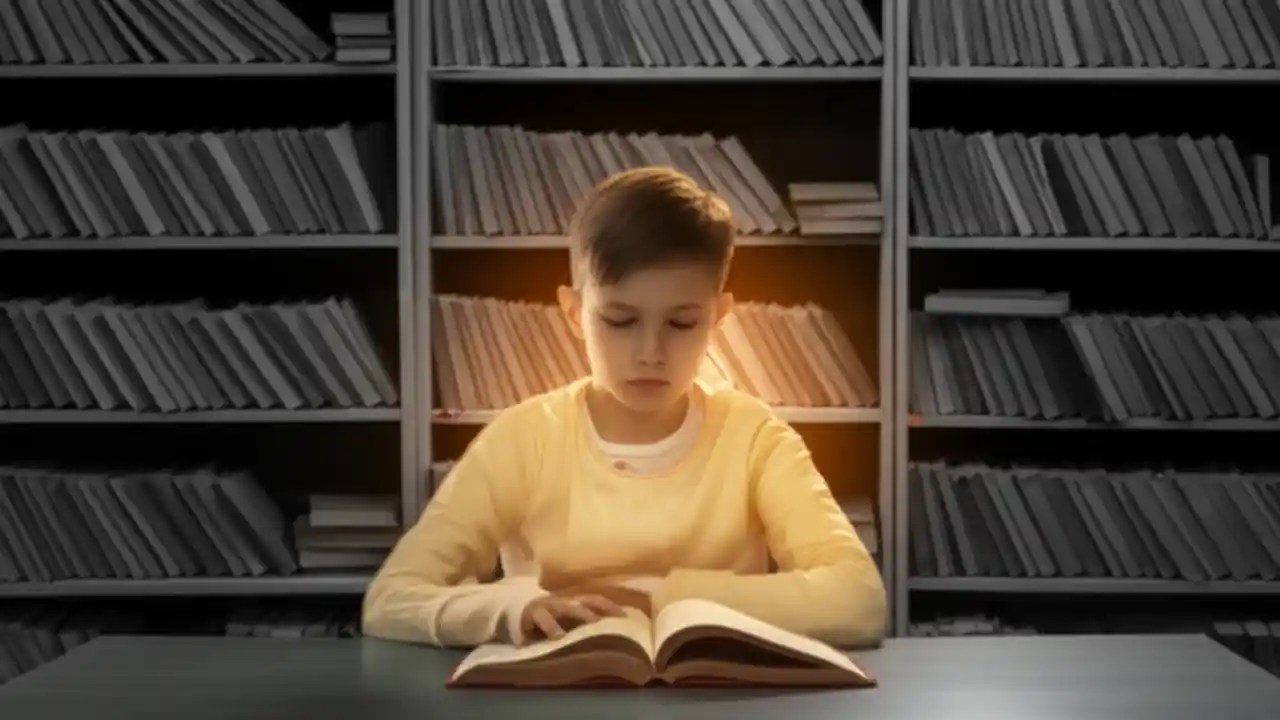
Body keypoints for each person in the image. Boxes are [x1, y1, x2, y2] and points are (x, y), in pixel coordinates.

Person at [361, 165, 886, 649]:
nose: (650, 354)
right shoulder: (524, 437)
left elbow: (859, 600)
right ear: (573, 312)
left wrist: (653, 596)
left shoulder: (755, 437)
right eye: (619, 321)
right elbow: (389, 599)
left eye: (682, 324)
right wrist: (516, 609)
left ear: (718, 318)